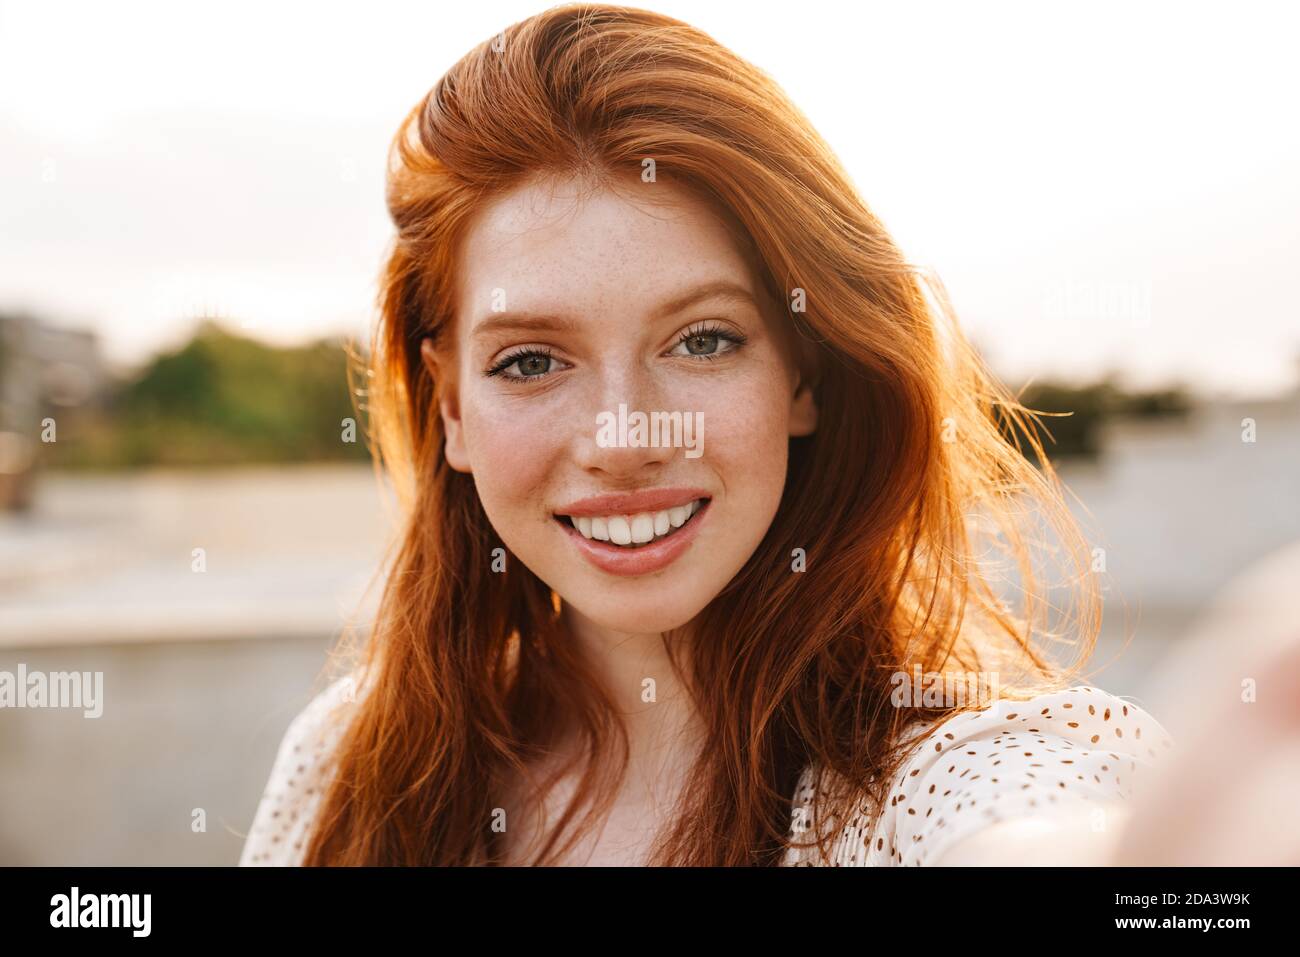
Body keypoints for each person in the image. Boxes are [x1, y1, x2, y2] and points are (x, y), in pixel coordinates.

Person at [240, 3, 1193, 867]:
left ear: (804, 376)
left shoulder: (944, 779)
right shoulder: (342, 764)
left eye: (703, 340)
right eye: (531, 360)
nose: (621, 438)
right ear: (450, 409)